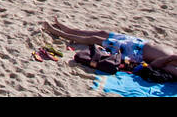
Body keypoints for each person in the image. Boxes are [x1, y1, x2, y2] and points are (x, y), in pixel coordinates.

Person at [41, 21, 177, 77]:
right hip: (140, 42)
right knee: (103, 32)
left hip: (135, 53)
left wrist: (169, 58)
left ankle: (60, 33)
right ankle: (68, 29)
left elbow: (153, 66)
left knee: (96, 39)